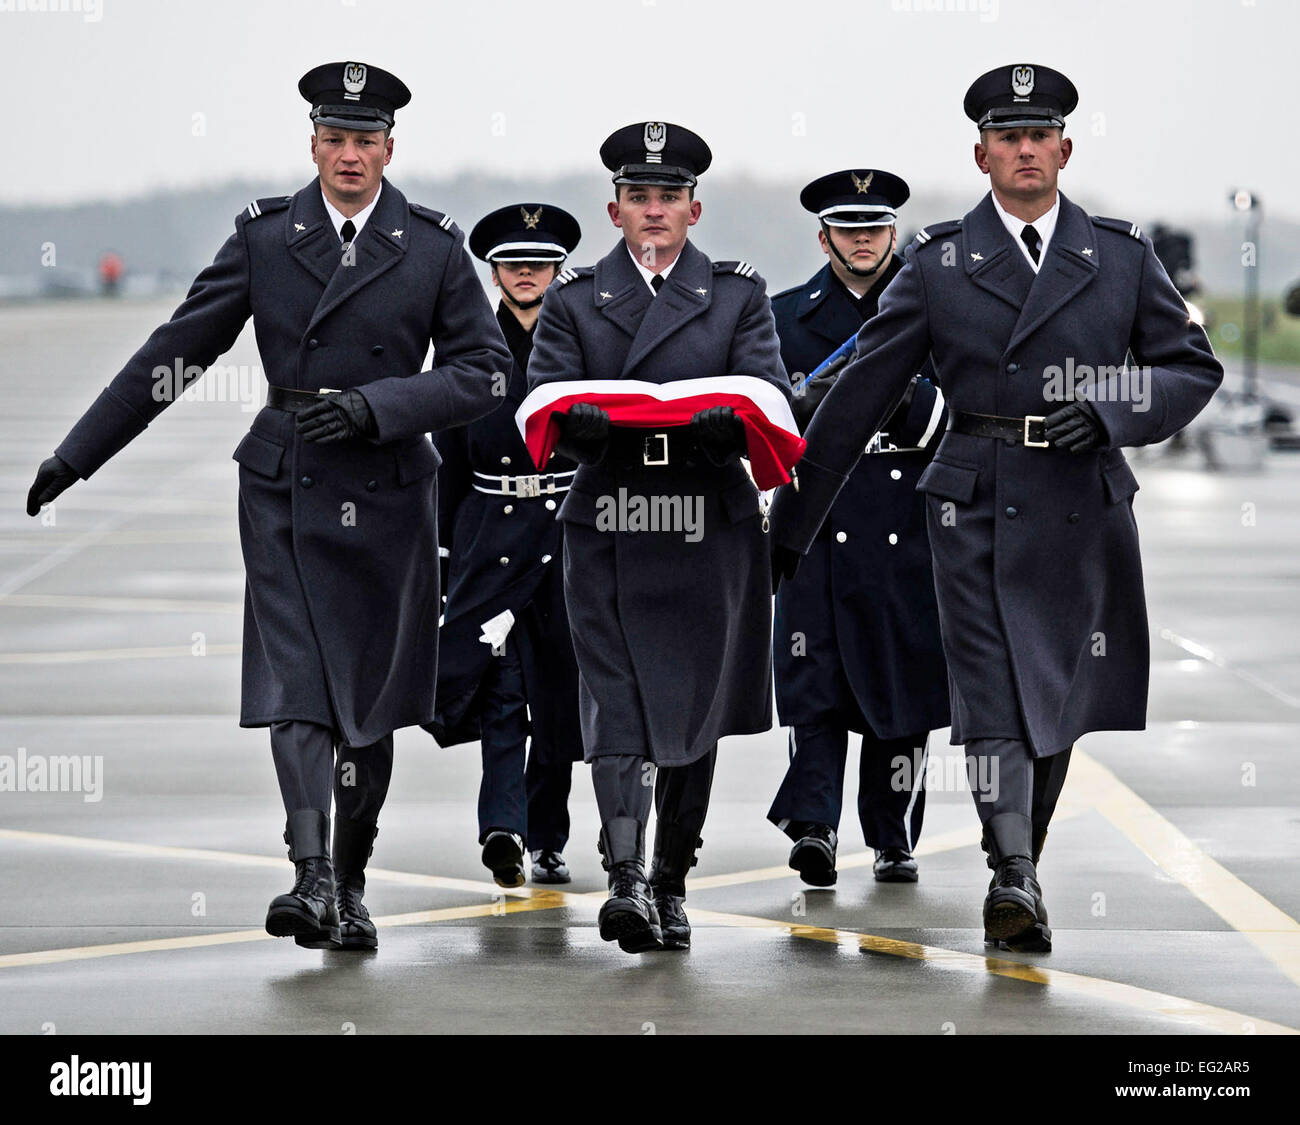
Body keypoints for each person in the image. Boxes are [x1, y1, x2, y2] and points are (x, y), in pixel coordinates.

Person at [25, 61, 511, 952]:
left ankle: (352, 883)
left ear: (390, 148)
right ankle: (310, 872)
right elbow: (176, 352)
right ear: (314, 143)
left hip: (391, 491)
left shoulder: (436, 248)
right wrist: (78, 454)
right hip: (288, 484)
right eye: (335, 139)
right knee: (297, 686)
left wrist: (379, 406)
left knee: (368, 707)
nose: (350, 155)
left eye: (366, 141)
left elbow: (483, 372)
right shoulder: (265, 237)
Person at [769, 64, 1223, 952]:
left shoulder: (1121, 256)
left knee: (1058, 698)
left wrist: (1109, 405)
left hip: (1080, 501)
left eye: (1038, 134)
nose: (1024, 149)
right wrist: (793, 523)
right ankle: (1012, 872)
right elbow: (861, 393)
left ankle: (1021, 847)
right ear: (981, 154)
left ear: (1064, 148)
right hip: (969, 501)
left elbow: (1189, 368)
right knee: (990, 697)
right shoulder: (938, 263)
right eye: (1007, 137)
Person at [525, 121, 790, 952]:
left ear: (693, 208)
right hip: (609, 521)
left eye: (668, 197)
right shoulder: (572, 300)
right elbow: (540, 401)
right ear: (614, 208)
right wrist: (587, 432)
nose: (653, 210)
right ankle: (626, 876)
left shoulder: (738, 295)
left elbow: (774, 394)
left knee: (692, 711)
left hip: (707, 526)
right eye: (638, 197)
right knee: (615, 705)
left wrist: (725, 427)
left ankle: (672, 874)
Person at [768, 170, 949, 887]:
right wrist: (800, 409)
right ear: (824, 237)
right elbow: (769, 415)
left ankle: (893, 831)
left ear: (894, 233)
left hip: (905, 520)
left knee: (900, 688)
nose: (864, 238)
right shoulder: (783, 317)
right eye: (849, 227)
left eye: (875, 226)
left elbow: (961, 408)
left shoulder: (934, 311)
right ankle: (814, 825)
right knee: (814, 683)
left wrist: (910, 404)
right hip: (819, 519)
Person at [426, 203, 584, 888]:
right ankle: (504, 829)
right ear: (493, 272)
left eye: (539, 260)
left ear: (557, 268)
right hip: (488, 534)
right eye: (513, 261)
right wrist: (440, 559)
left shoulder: (581, 343)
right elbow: (447, 460)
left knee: (557, 691)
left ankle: (548, 835)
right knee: (500, 687)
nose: (526, 271)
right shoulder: (467, 350)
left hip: (566, 536)